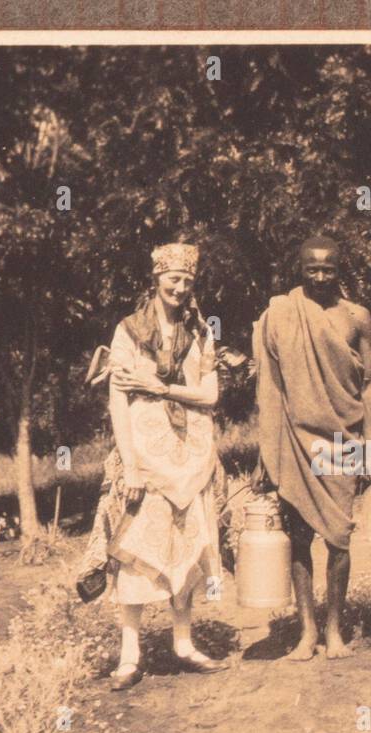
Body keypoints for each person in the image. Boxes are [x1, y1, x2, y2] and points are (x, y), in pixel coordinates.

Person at [99, 242, 228, 689]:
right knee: (137, 553)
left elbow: (210, 395)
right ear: (155, 281)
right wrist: (131, 466)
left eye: (188, 280)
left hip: (191, 458)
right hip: (146, 459)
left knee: (188, 550)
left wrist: (160, 386)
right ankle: (129, 656)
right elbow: (118, 400)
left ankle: (183, 644)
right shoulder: (129, 331)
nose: (180, 287)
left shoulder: (202, 331)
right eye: (172, 279)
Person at [253, 236, 371, 660]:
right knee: (299, 534)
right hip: (294, 438)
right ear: (300, 268)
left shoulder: (357, 316)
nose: (321, 276)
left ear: (340, 268)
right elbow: (269, 387)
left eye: (329, 268)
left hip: (342, 440)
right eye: (313, 269)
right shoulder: (281, 312)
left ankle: (336, 630)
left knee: (339, 536)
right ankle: (307, 632)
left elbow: (370, 384)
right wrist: (265, 450)